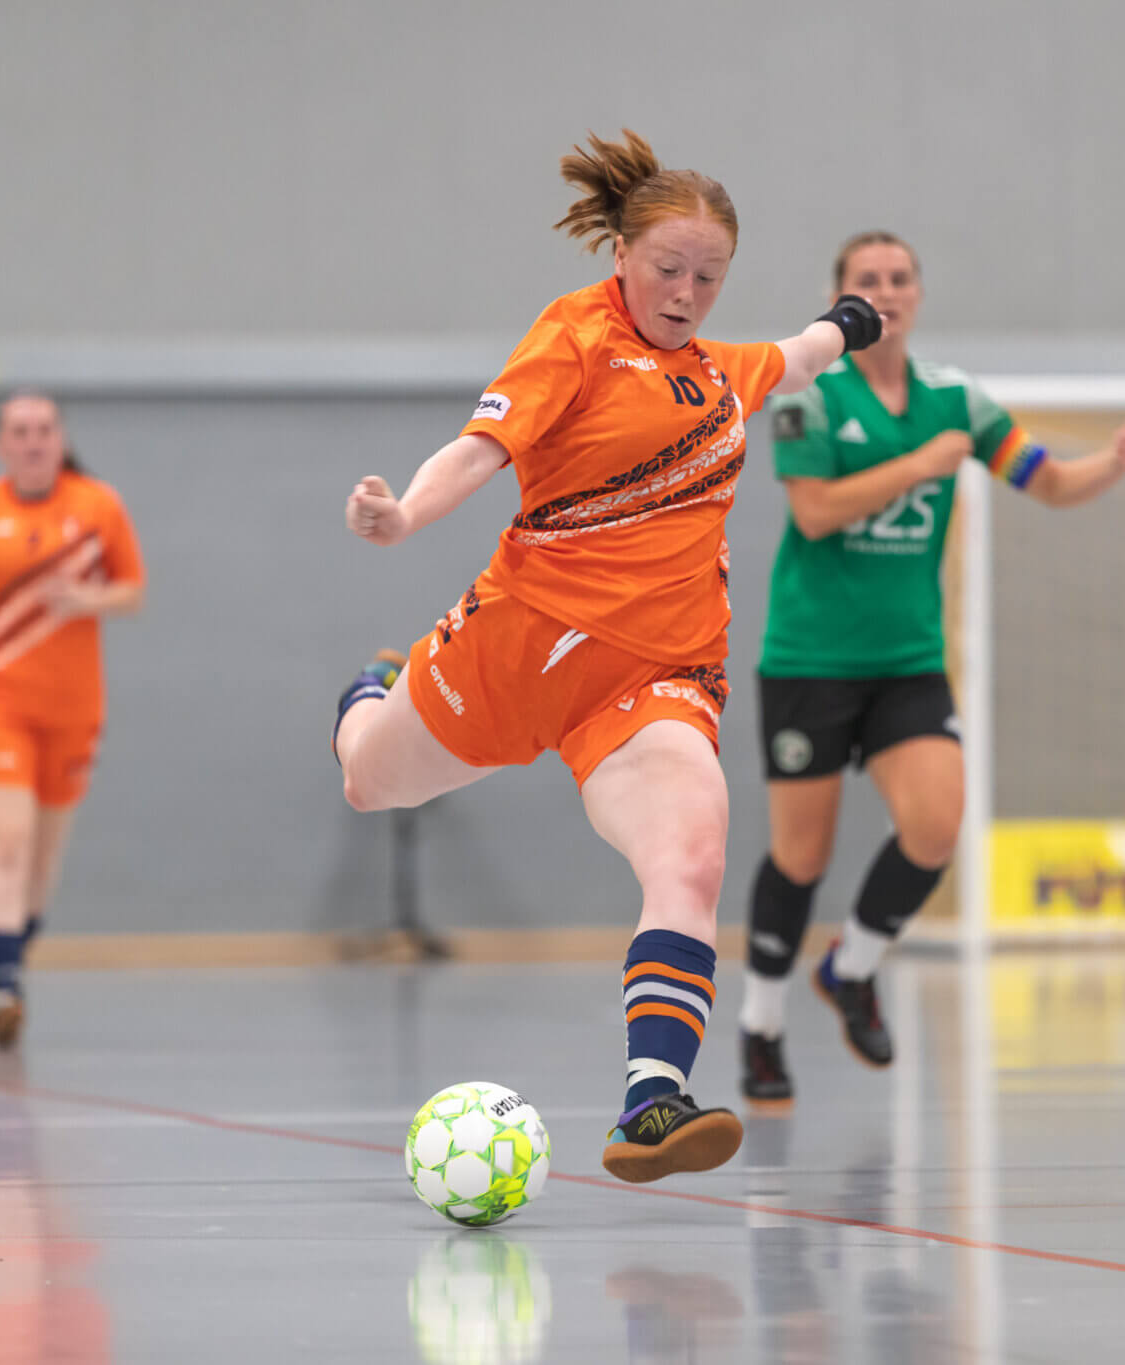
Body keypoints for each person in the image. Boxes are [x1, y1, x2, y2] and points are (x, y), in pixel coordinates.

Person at [331, 130, 881, 1183]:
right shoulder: (575, 339)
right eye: (666, 268)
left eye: (707, 276)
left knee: (689, 860)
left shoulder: (721, 375)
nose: (684, 292)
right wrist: (402, 516)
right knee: (368, 780)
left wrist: (847, 322)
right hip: (516, 651)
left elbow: (798, 354)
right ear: (620, 255)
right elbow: (480, 449)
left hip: (650, 686)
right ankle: (372, 687)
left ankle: (651, 1103)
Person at [738, 231, 1125, 1103]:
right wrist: (917, 466)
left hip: (906, 661)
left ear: (919, 293)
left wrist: (1111, 463)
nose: (884, 290)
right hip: (810, 658)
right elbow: (813, 513)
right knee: (799, 857)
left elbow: (1044, 480)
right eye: (866, 279)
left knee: (936, 822)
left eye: (899, 278)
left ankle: (851, 970)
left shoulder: (957, 398)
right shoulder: (807, 393)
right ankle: (761, 1023)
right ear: (838, 294)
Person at [0, 393, 146, 1048]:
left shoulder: (96, 506)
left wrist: (87, 597)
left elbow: (133, 589)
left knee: (43, 861)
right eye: (20, 432)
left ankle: (10, 955)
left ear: (60, 439)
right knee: (6, 842)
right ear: (1, 444)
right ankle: (3, 987)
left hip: (74, 708)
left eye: (44, 430)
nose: (33, 441)